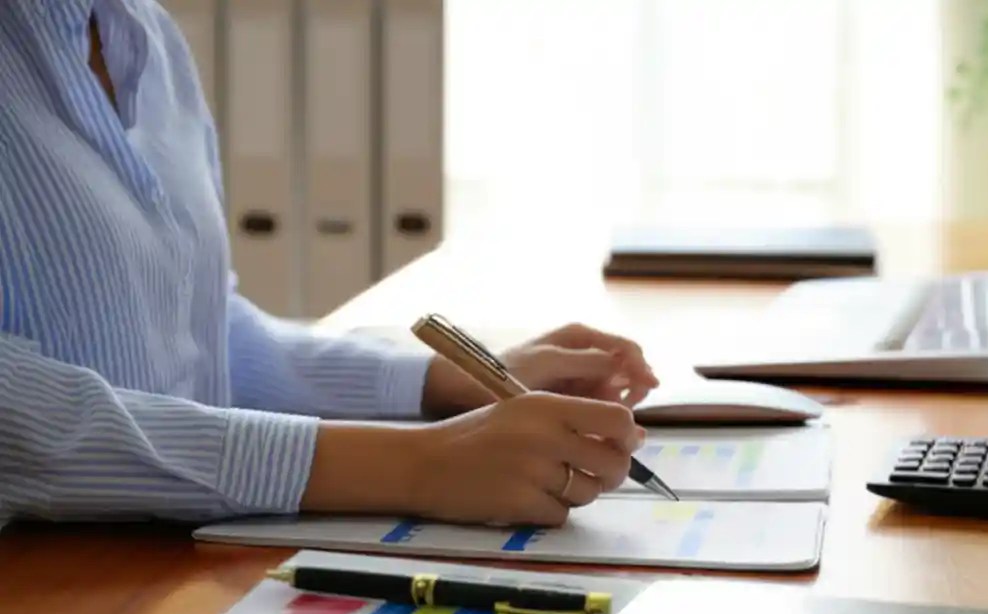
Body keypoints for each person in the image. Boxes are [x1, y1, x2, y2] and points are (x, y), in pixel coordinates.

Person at [0, 0, 659, 529]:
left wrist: (445, 383)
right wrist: (414, 466)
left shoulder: (143, 34)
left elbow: (199, 331)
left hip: (160, 578)